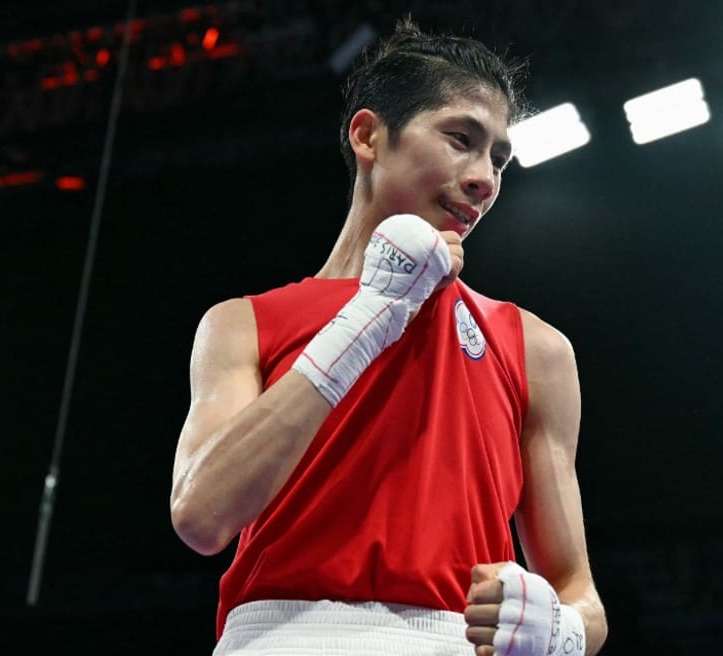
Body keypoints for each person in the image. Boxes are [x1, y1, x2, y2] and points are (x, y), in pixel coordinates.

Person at [170, 17, 607, 656]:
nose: (485, 177)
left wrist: (561, 633)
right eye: (461, 138)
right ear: (369, 135)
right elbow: (202, 516)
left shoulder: (534, 349)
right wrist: (372, 314)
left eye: (498, 158)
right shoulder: (244, 322)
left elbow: (580, 594)